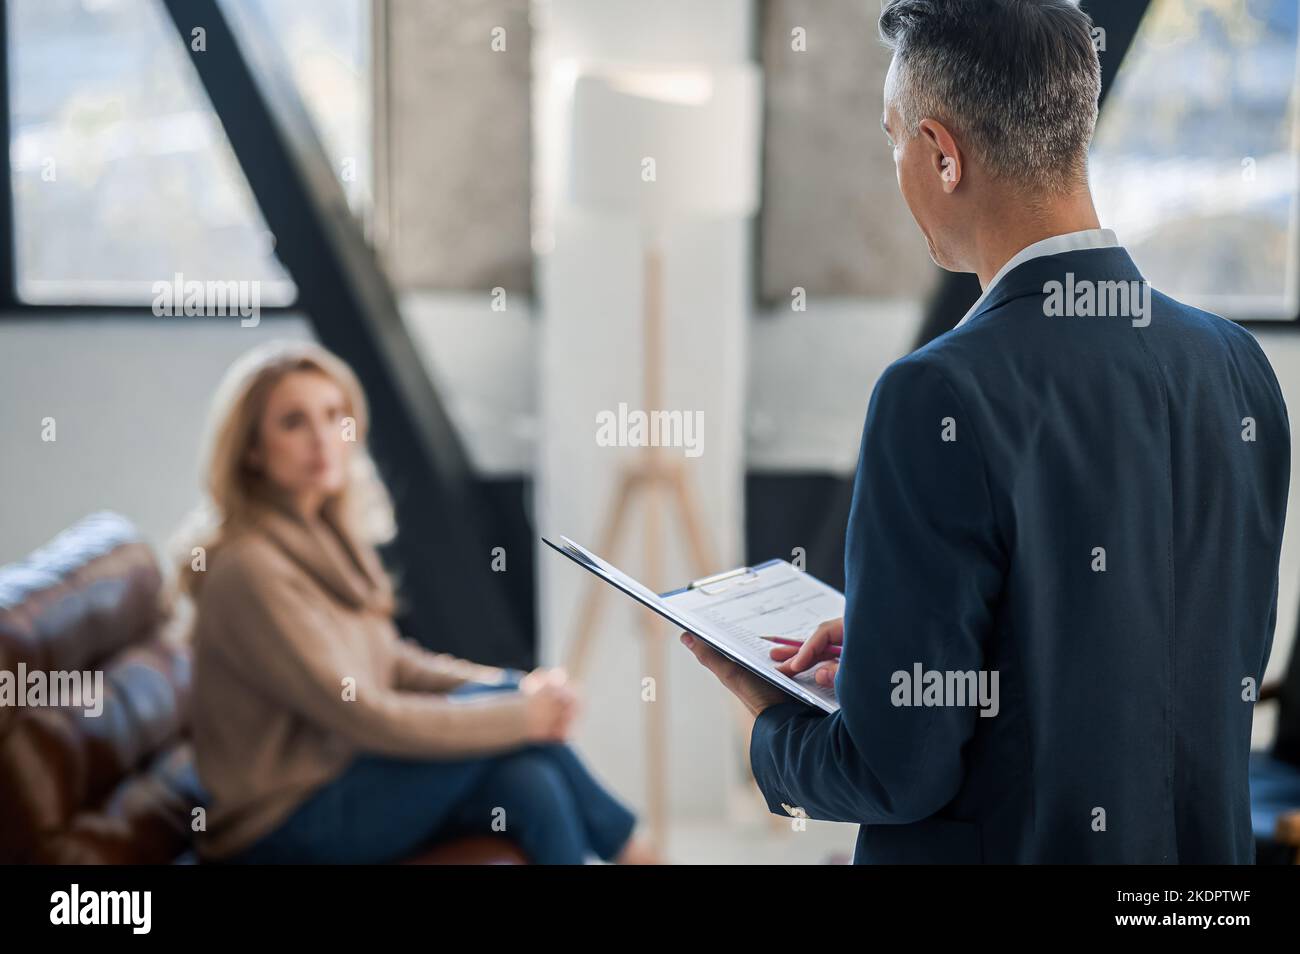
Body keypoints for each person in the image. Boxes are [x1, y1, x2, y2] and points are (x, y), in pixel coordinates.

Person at [683, 0, 1290, 863]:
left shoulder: (935, 392)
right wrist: (905, 632)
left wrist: (770, 724)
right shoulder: (1237, 368)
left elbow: (893, 773)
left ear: (941, 152)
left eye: (893, 139)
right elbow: (1161, 645)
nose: (896, 167)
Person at [180, 340, 656, 865]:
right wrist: (521, 715)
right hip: (283, 823)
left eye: (334, 415)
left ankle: (635, 853)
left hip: (349, 778)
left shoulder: (322, 534)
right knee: (527, 740)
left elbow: (393, 661)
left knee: (531, 783)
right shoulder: (250, 569)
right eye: (293, 422)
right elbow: (365, 715)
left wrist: (512, 689)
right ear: (251, 449)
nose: (322, 439)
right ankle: (640, 855)